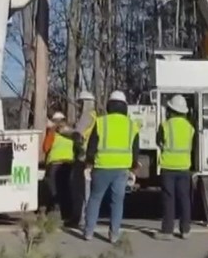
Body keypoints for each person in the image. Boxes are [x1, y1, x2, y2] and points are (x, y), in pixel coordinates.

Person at [82, 90, 139, 243]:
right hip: (121, 169)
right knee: (117, 201)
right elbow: (135, 149)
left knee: (95, 199)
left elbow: (92, 145)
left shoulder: (101, 122)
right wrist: (133, 168)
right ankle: (114, 235)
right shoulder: (131, 125)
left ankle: (88, 232)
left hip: (101, 167)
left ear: (109, 105)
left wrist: (88, 163)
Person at [156, 94, 195, 239]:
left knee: (169, 199)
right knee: (184, 198)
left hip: (168, 166)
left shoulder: (165, 125)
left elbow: (159, 142)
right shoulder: (190, 128)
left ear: (171, 109)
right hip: (184, 167)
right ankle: (185, 230)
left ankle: (167, 231)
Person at [67, 90, 96, 228]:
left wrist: (65, 132)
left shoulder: (86, 116)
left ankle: (79, 218)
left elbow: (78, 135)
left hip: (83, 157)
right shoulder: (95, 116)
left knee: (80, 189)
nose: (78, 106)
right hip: (90, 156)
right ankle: (84, 218)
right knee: (87, 190)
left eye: (80, 103)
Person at [42, 112, 76, 222]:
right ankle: (68, 215)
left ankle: (54, 213)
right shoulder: (71, 132)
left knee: (54, 190)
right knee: (66, 189)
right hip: (69, 163)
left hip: (55, 164)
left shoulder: (53, 132)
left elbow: (46, 147)